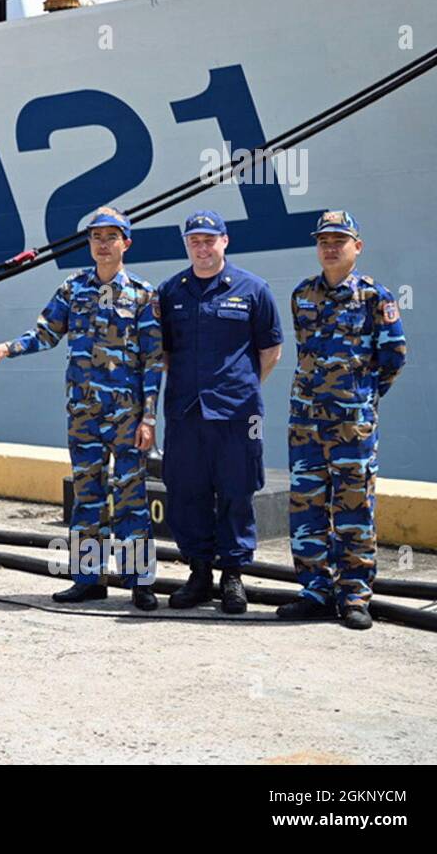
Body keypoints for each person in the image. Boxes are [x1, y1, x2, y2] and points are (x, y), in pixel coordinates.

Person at [0, 208, 162, 609]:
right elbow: (44, 332)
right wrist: (5, 349)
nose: (102, 244)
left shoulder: (144, 295)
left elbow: (154, 360)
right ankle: (88, 579)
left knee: (130, 497)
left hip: (127, 415)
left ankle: (139, 583)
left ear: (125, 243)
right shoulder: (73, 289)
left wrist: (149, 417)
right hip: (83, 414)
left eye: (111, 237)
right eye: (96, 237)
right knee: (87, 497)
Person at [278, 211, 406, 630]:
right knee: (307, 507)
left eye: (339, 240)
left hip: (352, 426)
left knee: (354, 508)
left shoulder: (375, 297)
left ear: (357, 246)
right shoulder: (301, 296)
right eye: (324, 241)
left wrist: (361, 398)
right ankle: (315, 590)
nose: (330, 248)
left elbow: (393, 358)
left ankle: (354, 595)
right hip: (306, 422)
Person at [156, 210, 282, 614]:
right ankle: (198, 573)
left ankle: (233, 576)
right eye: (195, 240)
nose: (203, 247)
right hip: (186, 412)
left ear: (224, 241)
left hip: (237, 413)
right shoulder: (170, 291)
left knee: (236, 490)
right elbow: (165, 354)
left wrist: (237, 388)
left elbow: (270, 352)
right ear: (187, 245)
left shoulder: (254, 289)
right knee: (187, 492)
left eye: (210, 240)